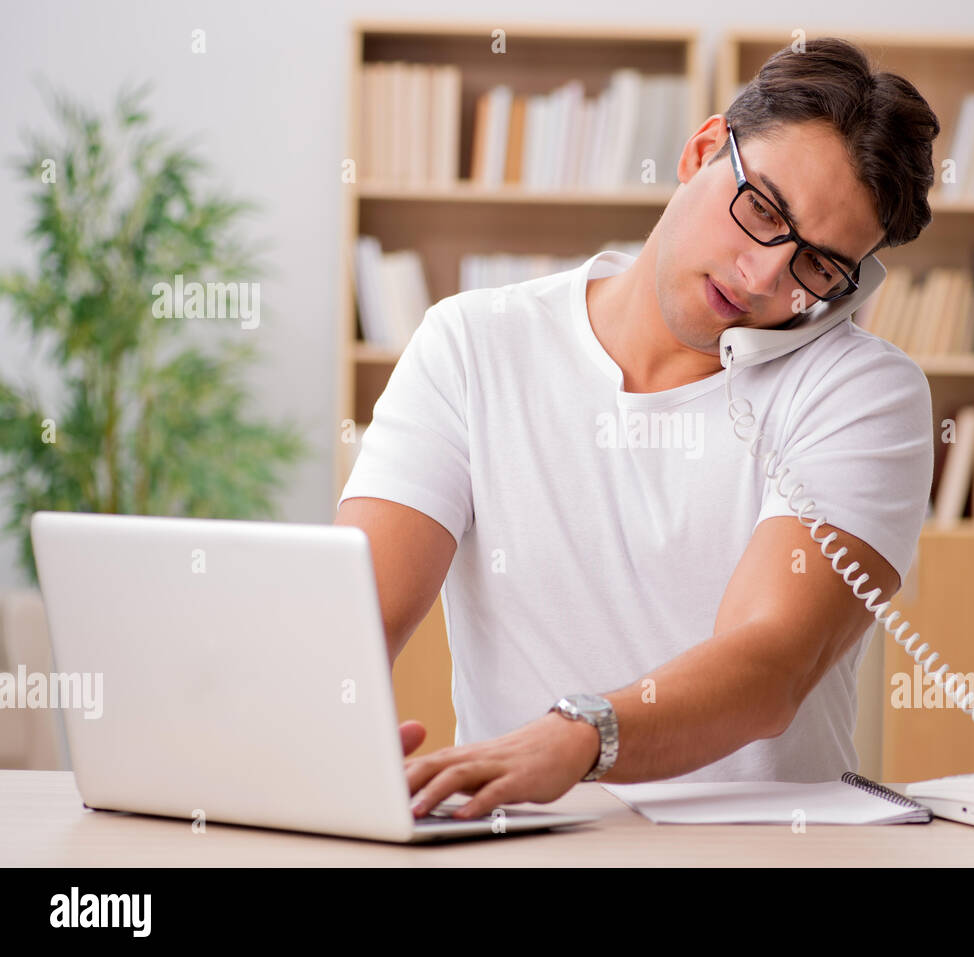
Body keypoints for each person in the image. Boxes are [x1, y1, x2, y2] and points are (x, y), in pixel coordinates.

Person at [336, 36, 940, 819]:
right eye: (762, 209)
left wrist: (580, 736)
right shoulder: (472, 344)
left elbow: (770, 665)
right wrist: (331, 742)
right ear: (698, 152)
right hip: (524, 841)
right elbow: (357, 615)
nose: (764, 277)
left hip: (770, 852)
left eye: (817, 267)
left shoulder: (863, 393)